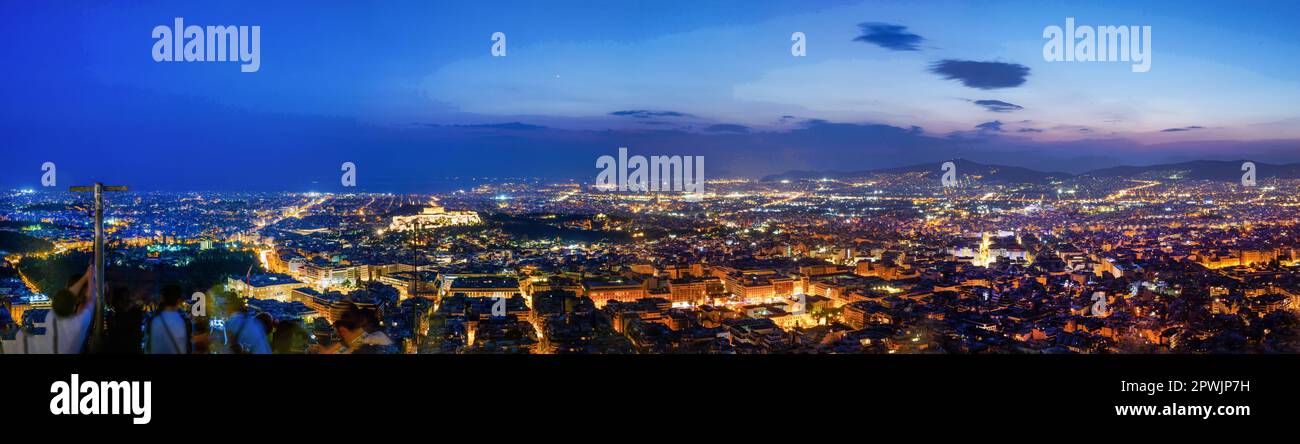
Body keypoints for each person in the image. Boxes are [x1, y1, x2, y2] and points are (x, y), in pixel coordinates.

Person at [0, 263, 98, 354]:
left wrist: (87, 276)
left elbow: (81, 298)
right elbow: (89, 300)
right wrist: (88, 277)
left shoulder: (65, 321)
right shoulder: (74, 324)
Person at [312, 303, 393, 354]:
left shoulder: (364, 348)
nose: (340, 338)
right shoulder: (379, 336)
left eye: (339, 335)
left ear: (343, 330)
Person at [146, 285, 190, 354]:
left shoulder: (156, 321)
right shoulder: (182, 321)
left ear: (163, 299)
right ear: (178, 300)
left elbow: (151, 347)